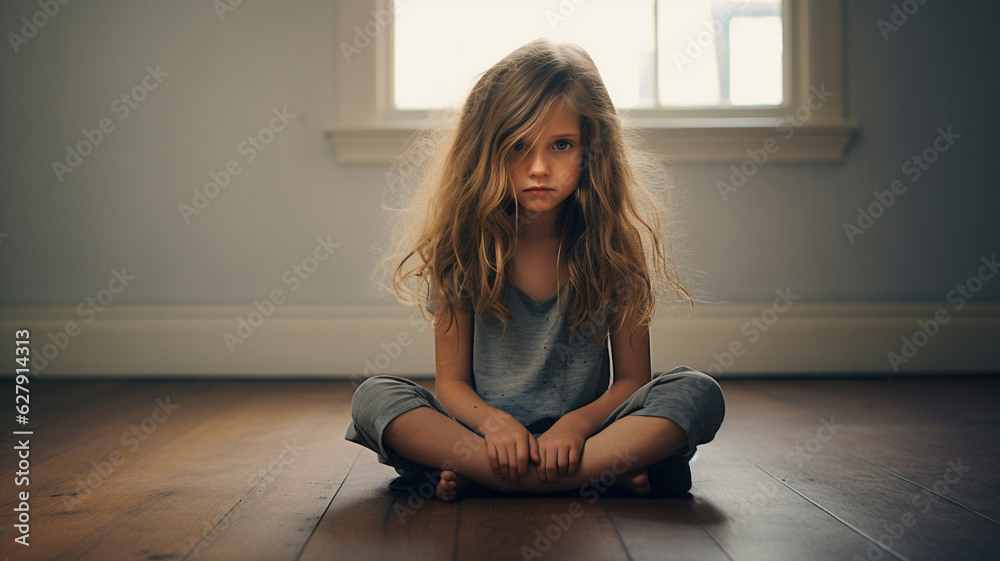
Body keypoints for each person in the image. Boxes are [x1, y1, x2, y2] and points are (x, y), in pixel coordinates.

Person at [345, 38, 725, 503]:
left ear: (593, 151)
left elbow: (631, 382)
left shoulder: (614, 248)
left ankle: (485, 477)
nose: (539, 167)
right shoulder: (463, 248)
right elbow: (452, 384)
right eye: (518, 145)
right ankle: (596, 474)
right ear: (485, 149)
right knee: (374, 396)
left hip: (586, 436)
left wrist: (575, 425)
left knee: (697, 391)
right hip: (486, 436)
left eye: (562, 145)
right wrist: (494, 425)